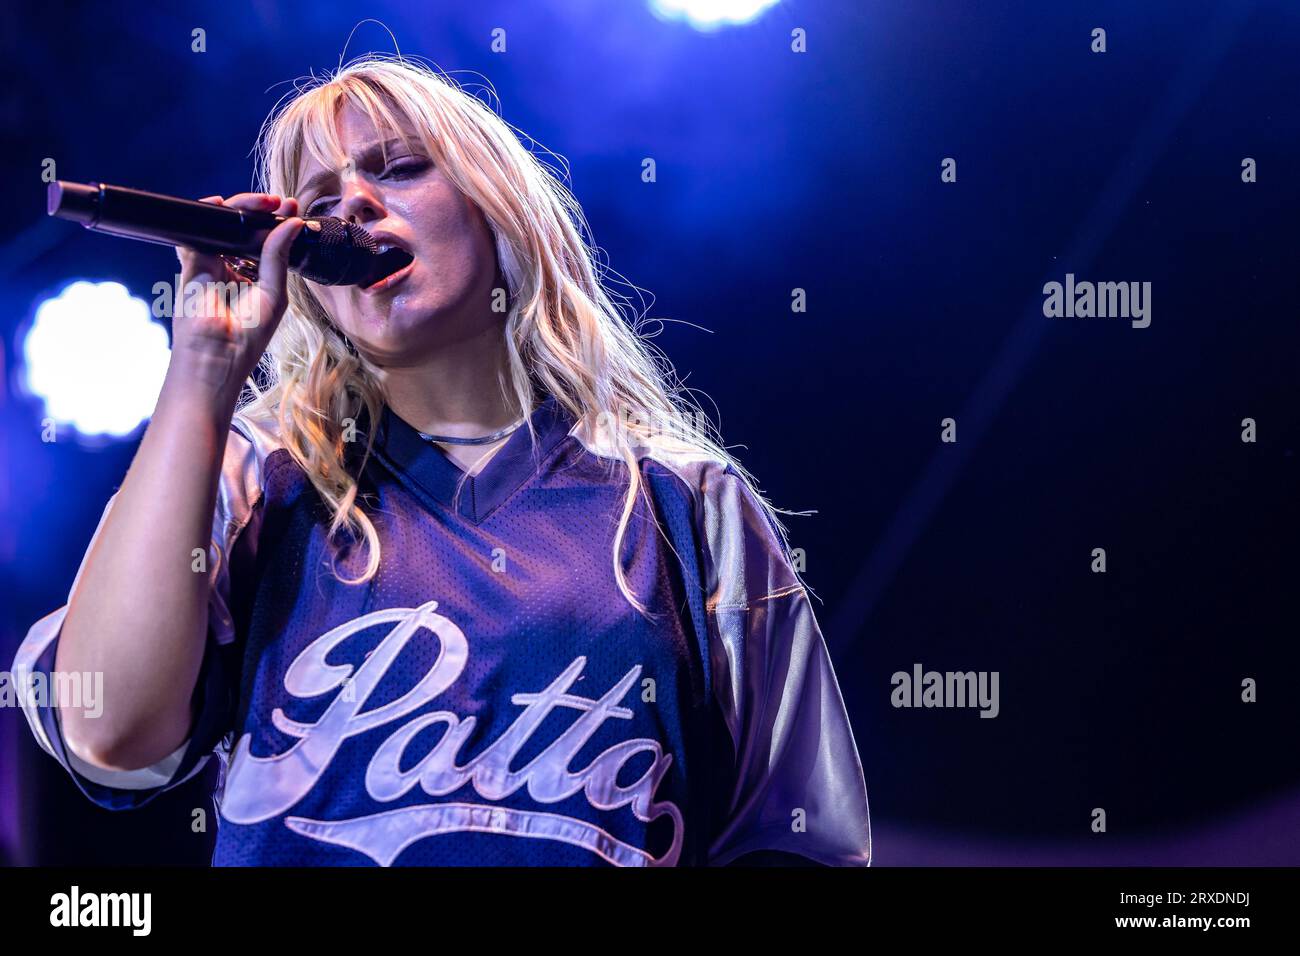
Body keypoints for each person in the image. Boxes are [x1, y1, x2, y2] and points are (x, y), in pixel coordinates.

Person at [12, 55, 871, 867]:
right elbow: (108, 727)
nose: (349, 209)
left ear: (494, 202)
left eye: (396, 168)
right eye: (319, 200)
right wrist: (203, 368)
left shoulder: (683, 500)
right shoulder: (261, 477)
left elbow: (798, 840)